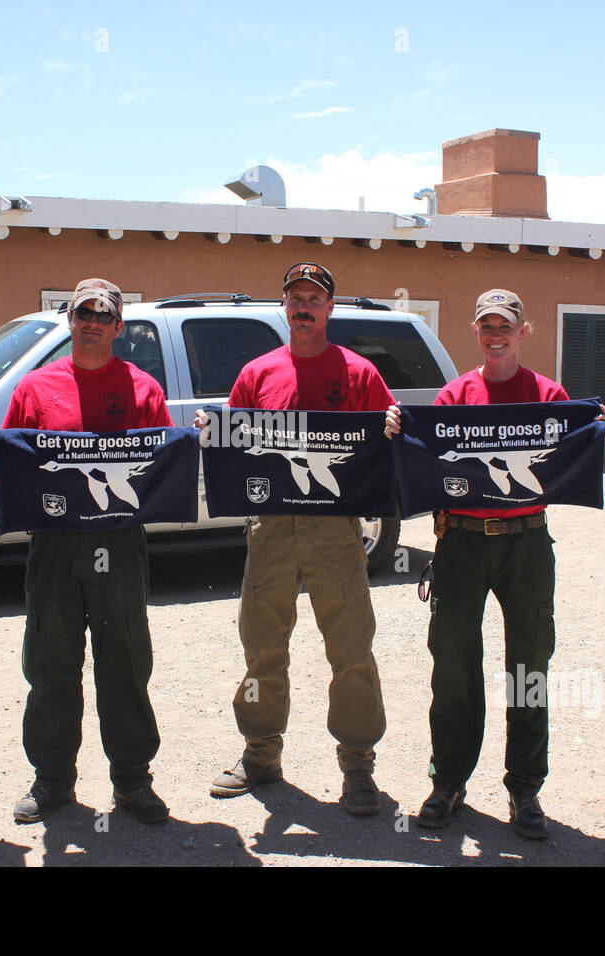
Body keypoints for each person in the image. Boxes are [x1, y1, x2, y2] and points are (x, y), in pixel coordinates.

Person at [384, 288, 605, 837]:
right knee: (455, 667)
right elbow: (424, 455)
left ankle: (525, 791)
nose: (496, 335)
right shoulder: (455, 395)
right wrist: (398, 429)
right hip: (461, 542)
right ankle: (448, 781)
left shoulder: (548, 394)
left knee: (529, 669)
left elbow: (570, 450)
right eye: (486, 326)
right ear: (477, 332)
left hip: (526, 542)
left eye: (505, 325)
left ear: (523, 331)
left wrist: (595, 427)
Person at [207, 262, 392, 816]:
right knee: (262, 642)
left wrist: (391, 427)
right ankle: (261, 753)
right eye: (295, 299)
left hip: (336, 531)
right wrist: (211, 434)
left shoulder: (358, 373)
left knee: (351, 646)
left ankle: (358, 765)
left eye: (314, 298)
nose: (304, 307)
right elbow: (235, 445)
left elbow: (385, 441)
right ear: (283, 307)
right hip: (270, 529)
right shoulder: (257, 373)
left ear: (330, 308)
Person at [3, 278, 172, 825]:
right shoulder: (34, 388)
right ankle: (52, 781)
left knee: (124, 662)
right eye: (84, 312)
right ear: (69, 320)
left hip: (119, 545)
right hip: (55, 547)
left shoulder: (143, 389)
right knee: (51, 662)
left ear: (119, 326)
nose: (94, 322)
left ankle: (132, 781)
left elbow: (160, 470)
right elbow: (14, 462)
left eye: (105, 314)